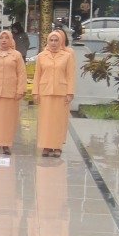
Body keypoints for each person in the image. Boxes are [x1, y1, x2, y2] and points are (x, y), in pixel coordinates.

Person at [33, 28, 76, 158]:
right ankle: (46, 146)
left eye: (56, 40)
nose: (53, 43)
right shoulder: (41, 56)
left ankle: (57, 146)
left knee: (58, 120)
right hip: (45, 92)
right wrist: (35, 92)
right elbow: (37, 75)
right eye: (51, 40)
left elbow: (70, 76)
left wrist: (70, 93)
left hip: (61, 92)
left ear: (61, 41)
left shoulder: (67, 56)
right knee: (45, 121)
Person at [0, 28, 24, 155]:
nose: (4, 40)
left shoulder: (16, 55)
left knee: (8, 119)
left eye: (7, 38)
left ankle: (6, 144)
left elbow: (21, 74)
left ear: (11, 40)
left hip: (10, 93)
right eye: (2, 38)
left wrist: (20, 90)